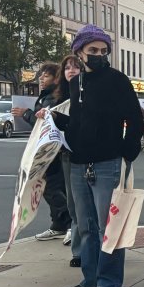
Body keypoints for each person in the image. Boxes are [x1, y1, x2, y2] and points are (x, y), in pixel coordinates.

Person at [50, 25, 144, 287]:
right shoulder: (75, 83)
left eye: (104, 51)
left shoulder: (117, 80)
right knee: (86, 225)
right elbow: (78, 121)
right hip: (79, 161)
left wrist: (126, 152)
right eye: (93, 50)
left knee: (108, 225)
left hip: (108, 161)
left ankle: (109, 281)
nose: (99, 55)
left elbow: (134, 118)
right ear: (79, 52)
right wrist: (55, 120)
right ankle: (90, 278)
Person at [14, 63, 72, 243]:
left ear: (56, 78)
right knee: (52, 186)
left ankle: (69, 223)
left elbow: (46, 122)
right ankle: (59, 224)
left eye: (46, 76)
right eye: (41, 75)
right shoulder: (47, 95)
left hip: (53, 148)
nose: (41, 79)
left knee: (52, 187)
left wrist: (26, 114)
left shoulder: (56, 97)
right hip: (46, 147)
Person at [55, 55, 84, 267]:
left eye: (75, 67)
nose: (71, 70)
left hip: (89, 155)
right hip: (67, 154)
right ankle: (79, 252)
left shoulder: (87, 94)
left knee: (88, 206)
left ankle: (93, 249)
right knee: (73, 205)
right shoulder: (59, 98)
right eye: (67, 67)